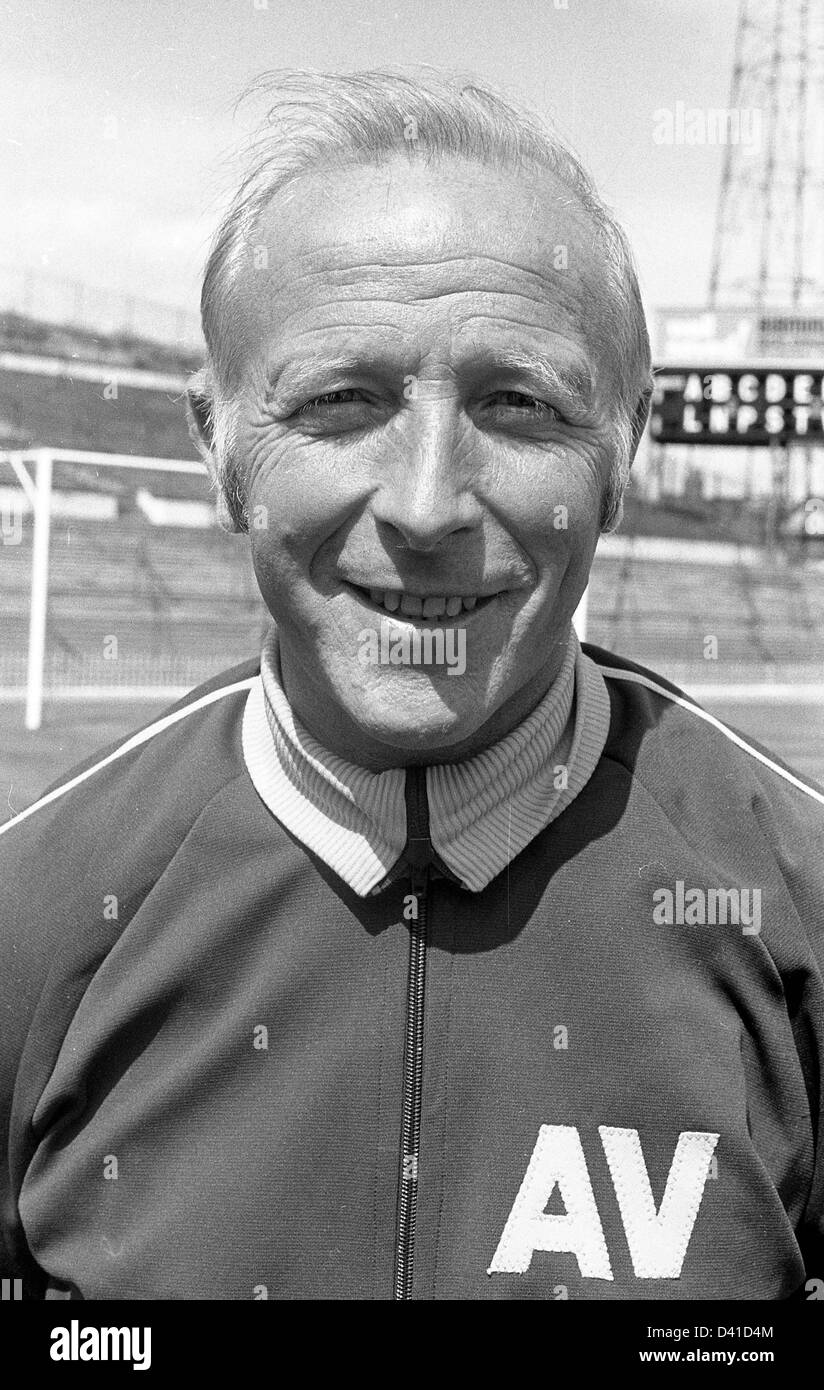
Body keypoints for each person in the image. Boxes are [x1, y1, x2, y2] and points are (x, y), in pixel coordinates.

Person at [1, 69, 822, 1302]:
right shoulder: (34, 914)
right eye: (340, 402)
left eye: (518, 404)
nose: (428, 504)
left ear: (622, 448)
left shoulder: (793, 902)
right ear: (218, 445)